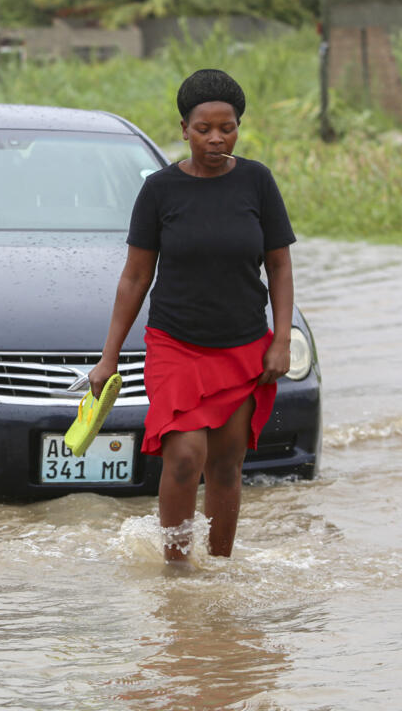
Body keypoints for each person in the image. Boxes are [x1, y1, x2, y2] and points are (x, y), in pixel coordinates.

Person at [87, 69, 296, 565]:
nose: (217, 138)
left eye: (228, 127)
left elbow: (280, 265)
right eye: (205, 128)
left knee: (227, 465)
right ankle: (176, 575)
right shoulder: (160, 191)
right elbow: (135, 278)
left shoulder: (257, 181)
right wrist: (108, 358)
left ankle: (219, 570)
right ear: (184, 129)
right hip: (176, 344)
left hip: (243, 344)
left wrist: (281, 338)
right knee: (183, 459)